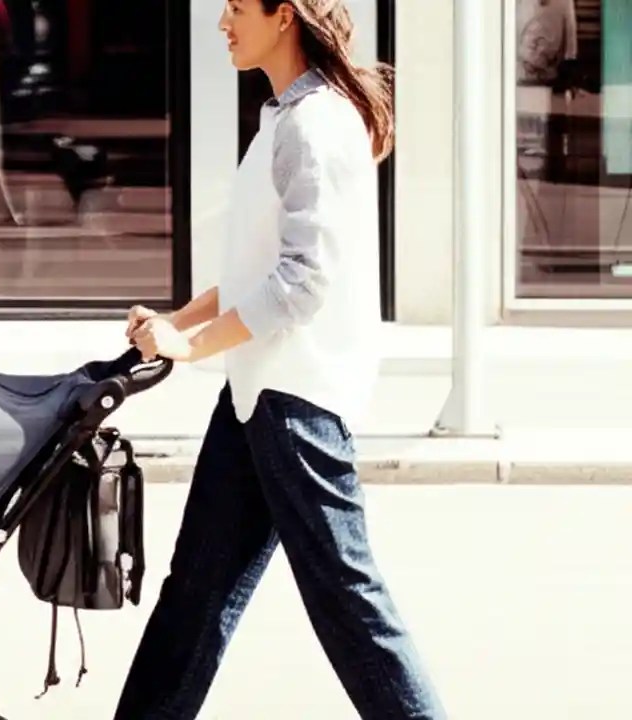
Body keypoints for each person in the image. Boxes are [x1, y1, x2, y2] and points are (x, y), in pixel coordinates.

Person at [113, 1, 447, 718]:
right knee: (194, 596)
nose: (223, 21)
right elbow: (257, 272)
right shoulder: (285, 117)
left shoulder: (313, 123)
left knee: (351, 606)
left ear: (284, 15)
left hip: (293, 403)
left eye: (237, 7)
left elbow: (301, 283)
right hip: (256, 397)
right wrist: (179, 321)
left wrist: (191, 346)